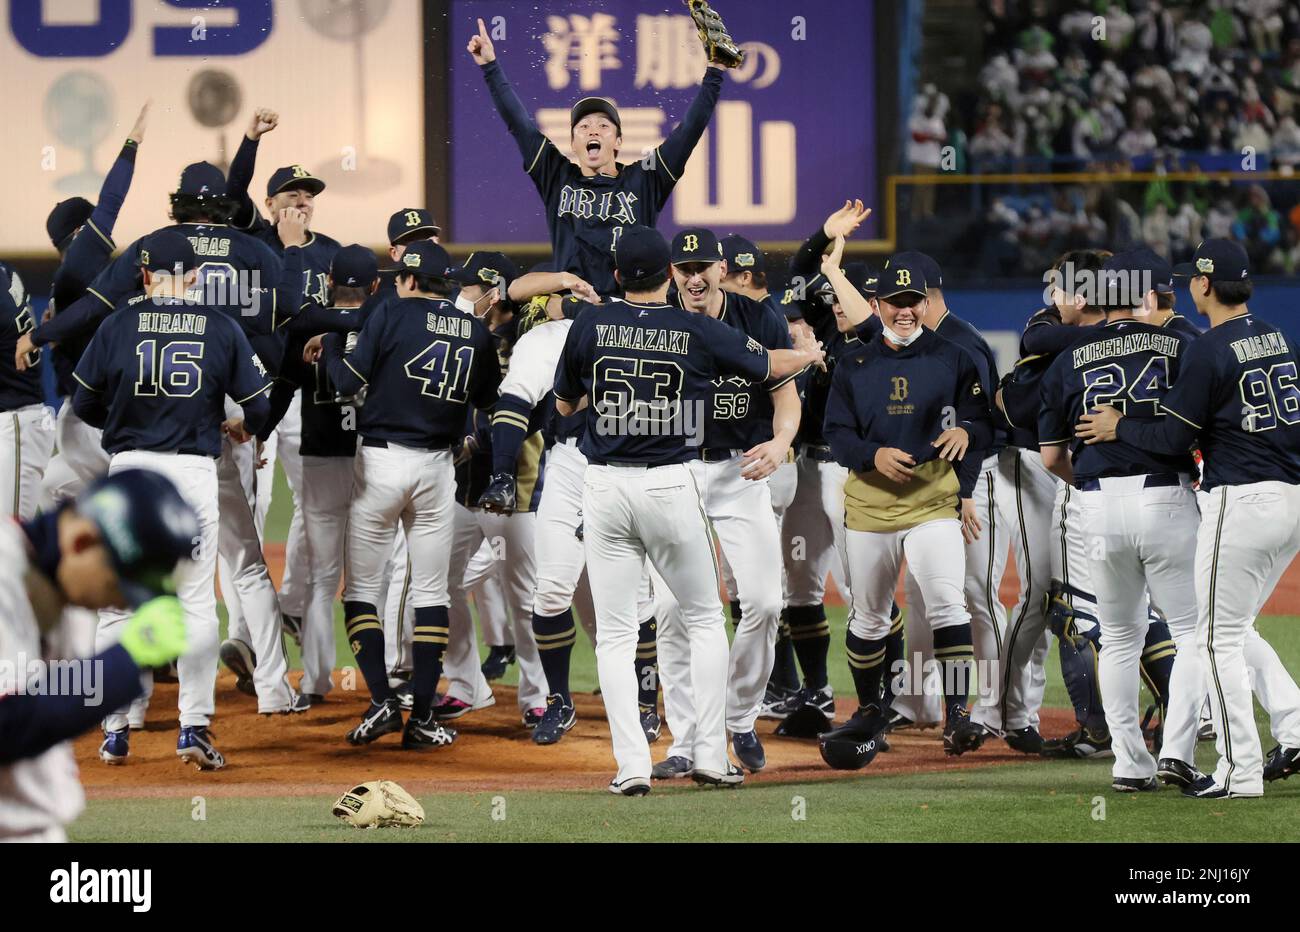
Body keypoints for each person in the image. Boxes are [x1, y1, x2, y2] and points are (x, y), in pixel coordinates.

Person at [553, 226, 824, 794]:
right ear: (667, 274)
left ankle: (631, 767)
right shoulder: (693, 329)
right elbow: (769, 365)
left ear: (619, 275)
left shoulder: (588, 323)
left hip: (604, 485)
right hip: (672, 483)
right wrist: (808, 355)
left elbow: (565, 402)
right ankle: (704, 752)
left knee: (618, 633)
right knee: (699, 617)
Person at [1077, 238, 1300, 797]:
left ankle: (1239, 771)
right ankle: (1293, 728)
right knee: (1230, 625)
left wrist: (1119, 427)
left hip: (1242, 502)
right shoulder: (1276, 338)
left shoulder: (1208, 348)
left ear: (1205, 285)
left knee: (1215, 637)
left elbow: (1176, 435)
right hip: (1291, 498)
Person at [70, 230, 276, 767]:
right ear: (195, 276)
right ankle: (192, 727)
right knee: (195, 603)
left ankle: (115, 731)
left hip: (130, 469)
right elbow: (260, 403)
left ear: (143, 275)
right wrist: (235, 422)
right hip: (190, 472)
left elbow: (84, 403)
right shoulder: (220, 327)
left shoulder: (117, 324)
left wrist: (126, 419)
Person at [319, 241, 501, 750]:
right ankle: (422, 716)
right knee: (431, 594)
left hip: (381, 463)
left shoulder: (392, 314)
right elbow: (487, 401)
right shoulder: (475, 331)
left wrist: (331, 342)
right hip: (437, 468)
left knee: (362, 592)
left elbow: (343, 383)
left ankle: (381, 700)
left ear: (408, 280)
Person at [1037, 246, 1201, 793]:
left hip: (1096, 502)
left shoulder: (1069, 358)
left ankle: (1130, 763)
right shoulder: (1181, 344)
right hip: (1167, 497)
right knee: (1191, 632)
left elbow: (1052, 457)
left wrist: (1088, 492)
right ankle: (1178, 752)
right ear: (1146, 294)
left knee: (1118, 637)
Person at [819, 248, 992, 762]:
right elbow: (836, 436)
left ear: (924, 301)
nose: (904, 310)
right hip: (870, 504)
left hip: (931, 500)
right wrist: (872, 453)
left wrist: (967, 428)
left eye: (913, 301)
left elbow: (987, 423)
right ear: (876, 303)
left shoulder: (953, 355)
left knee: (948, 604)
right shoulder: (853, 361)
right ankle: (872, 709)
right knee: (869, 617)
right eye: (895, 301)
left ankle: (958, 714)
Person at [651, 227, 799, 777]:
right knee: (671, 611)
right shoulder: (656, 319)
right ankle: (686, 740)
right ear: (672, 273)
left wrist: (783, 442)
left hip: (740, 471)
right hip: (675, 470)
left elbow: (785, 394)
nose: (693, 276)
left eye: (702, 267)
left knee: (763, 601)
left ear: (721, 268)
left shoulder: (758, 318)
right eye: (683, 267)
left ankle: (739, 716)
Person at [467, 16, 734, 295]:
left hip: (629, 311)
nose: (593, 130)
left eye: (603, 126)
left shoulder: (644, 179)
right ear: (572, 143)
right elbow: (519, 124)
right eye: (583, 127)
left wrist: (715, 72)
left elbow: (688, 132)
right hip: (572, 309)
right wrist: (490, 67)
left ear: (618, 141)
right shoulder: (556, 175)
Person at [0, 470, 197, 841]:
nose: (121, 602)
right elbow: (7, 723)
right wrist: (123, 661)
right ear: (82, 541)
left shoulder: (59, 587)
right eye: (118, 584)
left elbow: (50, 695)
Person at [261, 245, 379, 705]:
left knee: (321, 579)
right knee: (376, 578)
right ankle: (387, 681)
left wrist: (259, 434)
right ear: (374, 286)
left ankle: (313, 683)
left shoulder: (309, 324)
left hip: (319, 460)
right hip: (372, 460)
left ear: (329, 279)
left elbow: (283, 388)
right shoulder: (384, 323)